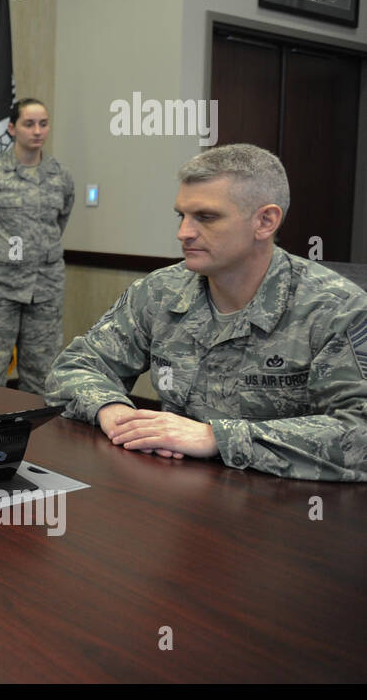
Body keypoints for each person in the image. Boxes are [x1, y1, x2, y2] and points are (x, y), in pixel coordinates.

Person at [45, 143, 367, 481]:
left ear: (265, 221)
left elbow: (359, 431)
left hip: (287, 508)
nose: (183, 232)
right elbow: (74, 366)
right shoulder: (160, 291)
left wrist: (216, 437)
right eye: (181, 215)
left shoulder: (335, 308)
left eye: (206, 217)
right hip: (179, 493)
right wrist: (114, 412)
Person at [0, 97, 73, 393]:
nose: (37, 131)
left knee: (42, 373)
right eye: (29, 124)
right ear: (11, 128)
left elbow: (59, 224)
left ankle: (36, 438)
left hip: (43, 290)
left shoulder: (61, 177)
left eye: (43, 124)